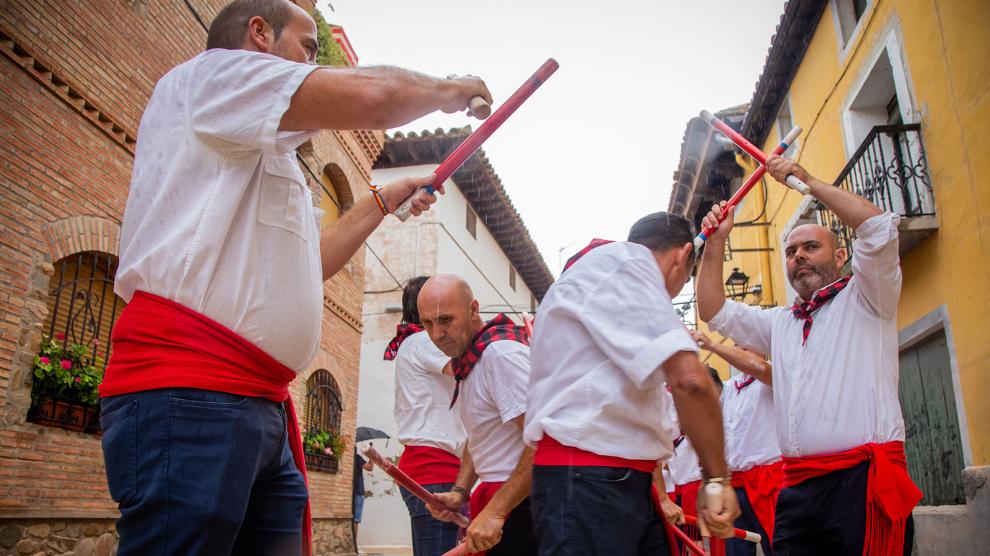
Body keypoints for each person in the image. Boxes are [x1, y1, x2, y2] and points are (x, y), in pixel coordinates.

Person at [97, 1, 493, 554]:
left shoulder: (269, 159)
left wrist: (381, 200)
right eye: (310, 47)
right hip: (191, 393)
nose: (315, 62)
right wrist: (455, 87)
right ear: (259, 34)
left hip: (255, 405)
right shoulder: (214, 74)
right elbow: (375, 96)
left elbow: (310, 268)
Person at [696, 155, 922, 555]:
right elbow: (713, 310)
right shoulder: (780, 322)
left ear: (839, 258)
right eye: (791, 250)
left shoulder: (869, 297)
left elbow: (877, 228)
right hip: (797, 489)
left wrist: (809, 182)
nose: (798, 255)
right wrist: (715, 242)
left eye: (811, 247)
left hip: (860, 483)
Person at [523, 213, 740, 556]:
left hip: (607, 478)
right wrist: (717, 480)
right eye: (685, 280)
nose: (672, 295)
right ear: (682, 256)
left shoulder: (605, 273)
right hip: (589, 480)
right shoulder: (629, 264)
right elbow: (691, 382)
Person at [417, 275, 537, 556]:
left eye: (445, 320)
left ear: (473, 310)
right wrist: (460, 491)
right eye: (428, 324)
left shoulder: (501, 356)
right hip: (501, 498)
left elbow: (543, 440)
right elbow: (481, 433)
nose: (437, 334)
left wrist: (496, 512)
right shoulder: (473, 359)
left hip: (522, 504)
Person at [385, 276, 466, 555]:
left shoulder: (411, 344)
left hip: (429, 465)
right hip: (436, 466)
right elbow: (463, 370)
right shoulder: (424, 341)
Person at [692, 331, 779, 556]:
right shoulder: (730, 388)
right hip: (735, 482)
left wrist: (712, 345)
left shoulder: (775, 376)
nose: (740, 348)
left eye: (747, 345)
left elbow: (759, 368)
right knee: (734, 548)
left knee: (777, 544)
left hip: (768, 480)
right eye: (737, 345)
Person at [664, 367, 726, 556]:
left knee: (703, 545)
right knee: (687, 545)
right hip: (680, 489)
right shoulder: (677, 420)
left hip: (700, 486)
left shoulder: (711, 417)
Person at [354, 448, 374, 550]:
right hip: (358, 491)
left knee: (351, 519)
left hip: (350, 492)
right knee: (356, 520)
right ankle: (354, 545)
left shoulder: (347, 458)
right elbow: (370, 468)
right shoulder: (357, 457)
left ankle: (352, 544)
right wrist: (371, 456)